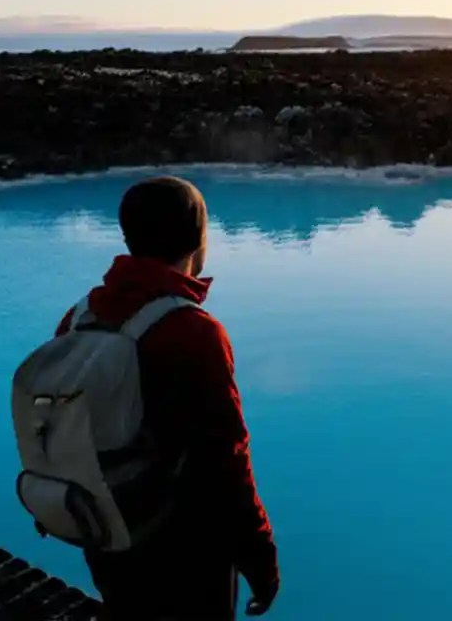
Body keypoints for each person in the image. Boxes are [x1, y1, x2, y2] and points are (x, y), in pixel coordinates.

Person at [52, 176, 280, 619]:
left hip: (106, 525)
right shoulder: (193, 331)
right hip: (183, 548)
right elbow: (227, 459)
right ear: (198, 239)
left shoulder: (79, 317)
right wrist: (260, 556)